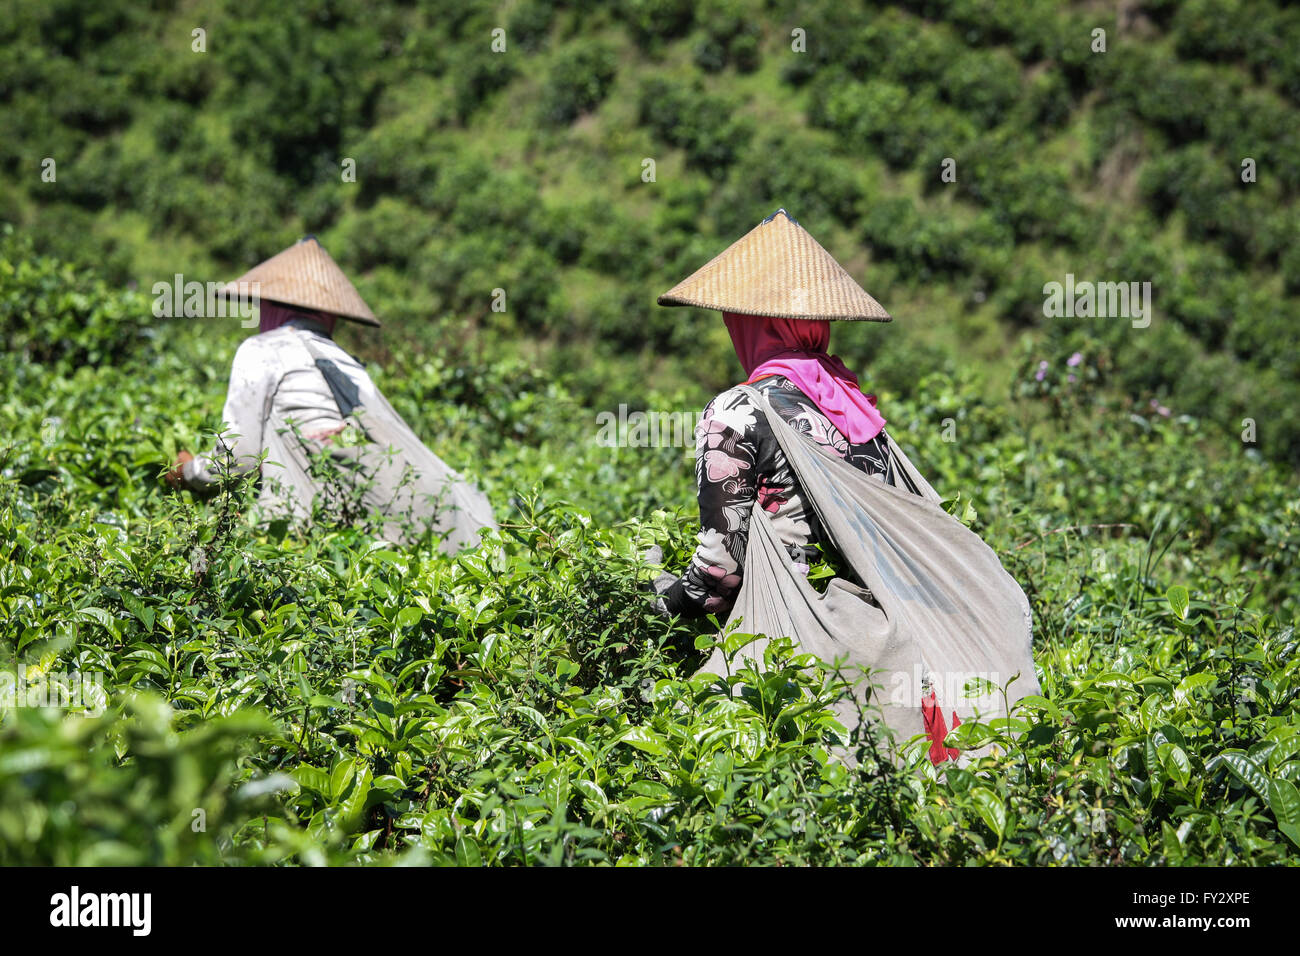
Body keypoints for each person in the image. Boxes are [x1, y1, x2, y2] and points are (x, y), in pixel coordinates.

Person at [650, 209, 918, 618]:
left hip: (792, 647)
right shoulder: (848, 398)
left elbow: (719, 578)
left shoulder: (736, 412)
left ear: (747, 323)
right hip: (881, 625)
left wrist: (656, 600)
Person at [165, 236, 496, 552]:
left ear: (270, 304)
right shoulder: (351, 366)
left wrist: (188, 472)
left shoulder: (262, 349)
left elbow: (240, 458)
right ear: (329, 313)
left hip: (294, 541)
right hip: (360, 540)